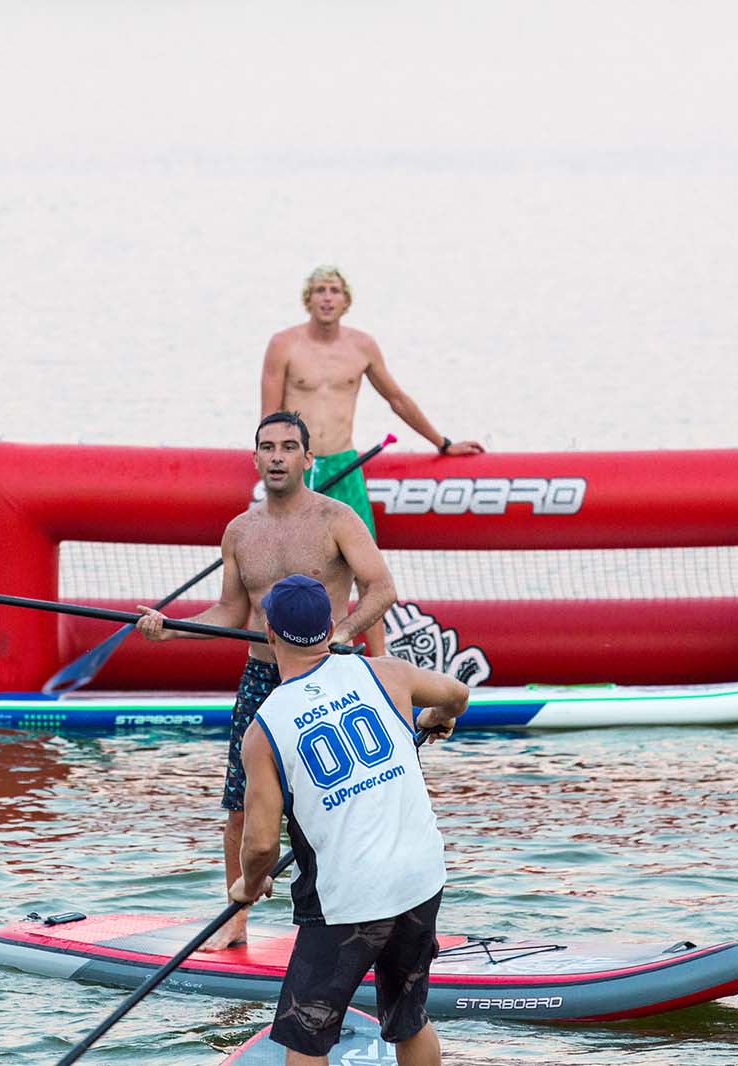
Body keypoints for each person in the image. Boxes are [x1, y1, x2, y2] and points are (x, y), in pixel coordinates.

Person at [136, 411, 397, 951]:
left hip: (327, 675)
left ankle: (364, 912)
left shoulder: (337, 519)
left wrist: (344, 630)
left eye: (287, 447)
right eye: (266, 447)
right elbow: (231, 612)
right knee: (240, 805)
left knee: (344, 801)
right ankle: (237, 916)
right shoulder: (240, 531)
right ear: (255, 459)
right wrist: (172, 632)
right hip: (261, 677)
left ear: (307, 458)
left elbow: (381, 588)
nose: (276, 456)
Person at [231, 573, 468, 1066]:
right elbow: (457, 695)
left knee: (306, 1036)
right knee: (408, 1018)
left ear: (269, 632)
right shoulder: (387, 674)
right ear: (334, 627)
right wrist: (428, 718)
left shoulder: (263, 731)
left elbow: (259, 846)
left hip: (348, 900)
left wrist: (248, 885)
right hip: (421, 880)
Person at [261, 265, 484, 653]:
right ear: (307, 299)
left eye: (334, 290)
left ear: (346, 300)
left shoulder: (362, 346)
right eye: (319, 290)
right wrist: (275, 466)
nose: (327, 297)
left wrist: (442, 443)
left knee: (366, 567)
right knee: (297, 569)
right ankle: (291, 653)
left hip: (346, 466)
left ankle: (379, 658)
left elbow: (396, 399)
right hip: (303, 468)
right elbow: (270, 417)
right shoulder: (284, 344)